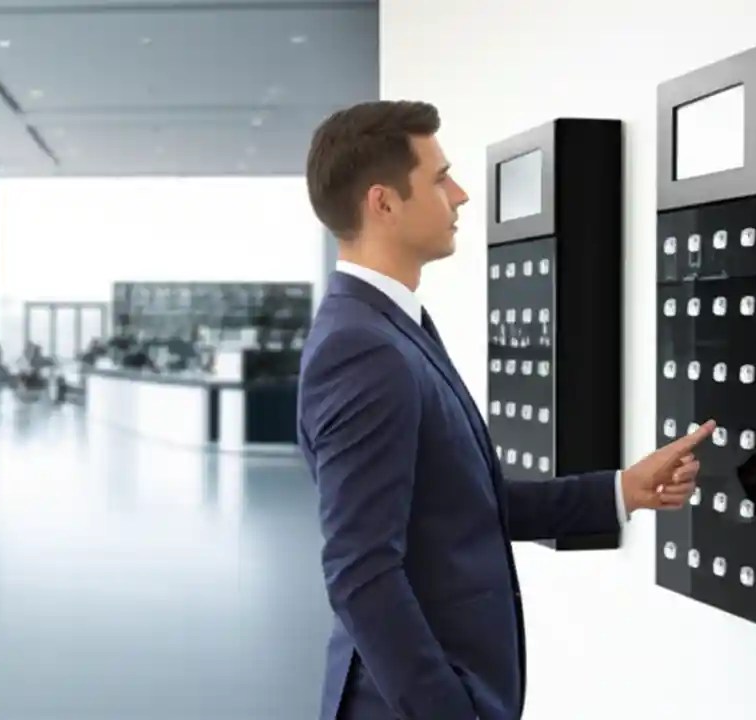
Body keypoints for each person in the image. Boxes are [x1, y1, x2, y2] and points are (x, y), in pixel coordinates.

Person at [296, 100, 715, 720]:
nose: (461, 195)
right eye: (440, 179)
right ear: (383, 203)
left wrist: (623, 490)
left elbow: (463, 504)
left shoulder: (392, 328)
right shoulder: (362, 349)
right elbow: (360, 572)